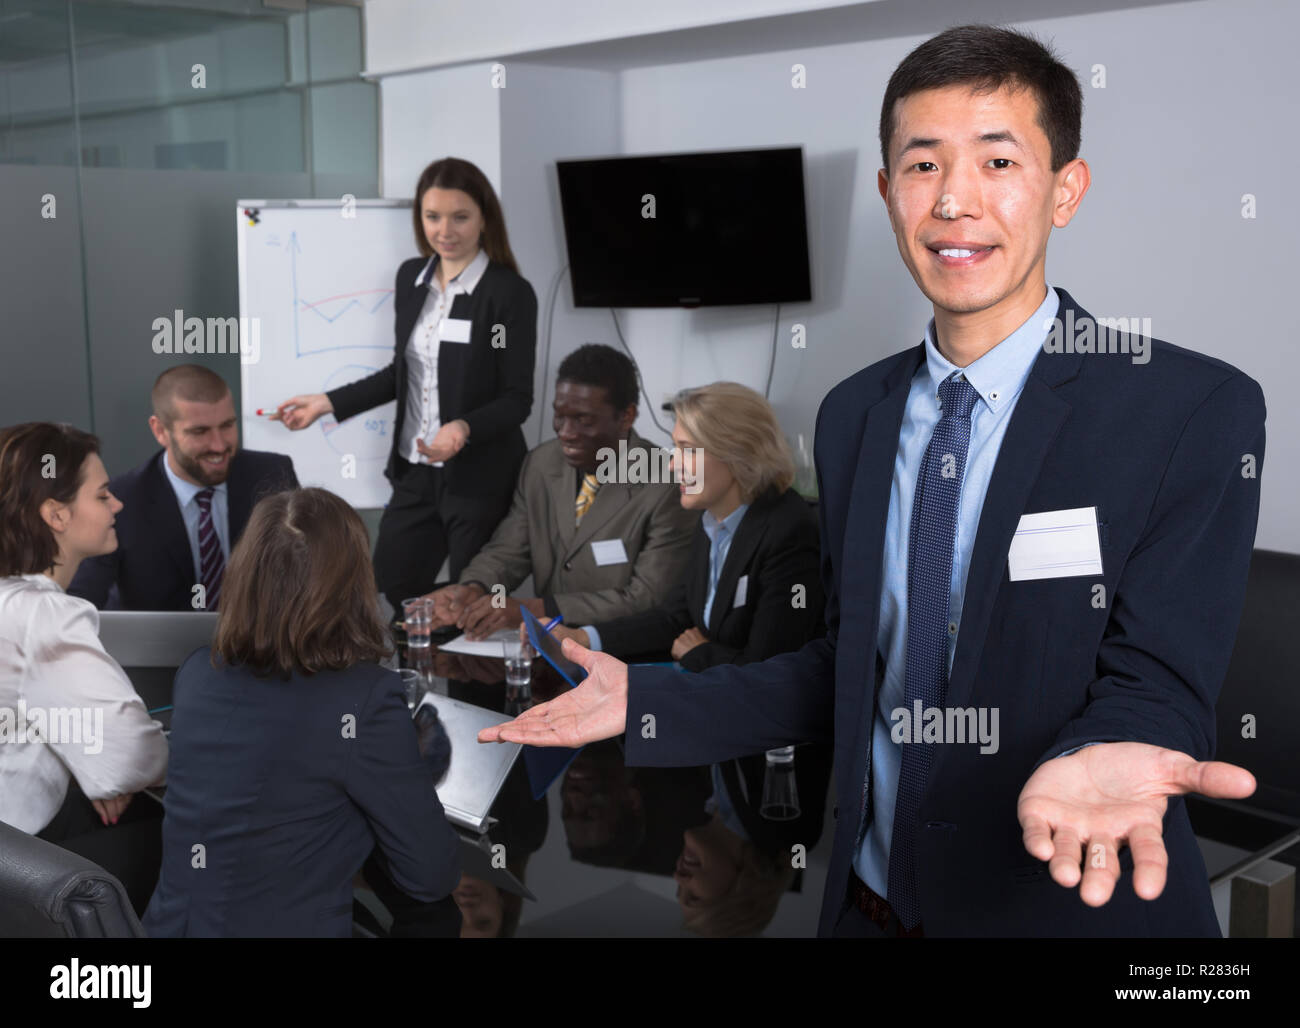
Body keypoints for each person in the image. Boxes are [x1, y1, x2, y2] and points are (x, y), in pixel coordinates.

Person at [480, 24, 1265, 939]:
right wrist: (651, 700)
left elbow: (1160, 678)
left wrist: (1109, 749)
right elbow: (845, 669)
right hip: (867, 908)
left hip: (1064, 914)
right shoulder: (858, 413)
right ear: (891, 194)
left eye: (1000, 162)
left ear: (1066, 191)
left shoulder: (1186, 409)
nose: (956, 202)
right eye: (923, 166)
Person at [143, 487, 461, 938]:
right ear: (354, 583)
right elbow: (431, 875)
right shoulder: (365, 698)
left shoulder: (198, 673)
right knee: (437, 916)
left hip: (167, 932)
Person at [273, 157, 538, 613]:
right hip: (416, 473)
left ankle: (473, 688)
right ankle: (404, 685)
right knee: (391, 590)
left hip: (479, 479)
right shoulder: (411, 280)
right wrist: (327, 402)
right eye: (433, 216)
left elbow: (518, 399)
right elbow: (403, 373)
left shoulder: (507, 292)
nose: (445, 230)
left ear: (484, 219)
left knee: (467, 607)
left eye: (460, 217)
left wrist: (463, 428)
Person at [0, 422, 169, 915]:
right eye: (103, 495)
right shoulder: (42, 615)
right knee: (187, 838)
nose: (117, 505)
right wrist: (110, 773)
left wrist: (95, 767)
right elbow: (132, 757)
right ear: (56, 513)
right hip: (21, 865)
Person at [541, 381, 824, 670]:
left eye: (688, 450)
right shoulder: (710, 519)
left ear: (738, 452)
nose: (673, 465)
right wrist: (581, 638)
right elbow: (674, 618)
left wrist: (699, 653)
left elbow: (768, 669)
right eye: (676, 448)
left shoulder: (789, 531)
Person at [429, 344, 698, 639]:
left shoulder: (670, 481)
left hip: (625, 654)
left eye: (583, 420)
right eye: (560, 416)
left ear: (626, 416)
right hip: (548, 651)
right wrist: (474, 588)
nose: (565, 432)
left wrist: (535, 608)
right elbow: (508, 550)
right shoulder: (541, 464)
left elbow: (648, 597)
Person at [69, 365, 298, 611]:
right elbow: (82, 602)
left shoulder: (273, 474)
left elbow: (307, 572)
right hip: (159, 648)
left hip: (259, 645)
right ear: (160, 431)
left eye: (227, 425)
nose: (219, 445)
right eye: (200, 431)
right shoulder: (121, 499)